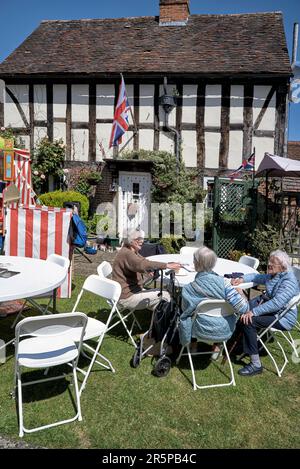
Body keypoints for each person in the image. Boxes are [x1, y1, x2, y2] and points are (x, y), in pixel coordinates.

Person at [232, 249, 299, 377]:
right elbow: (258, 277)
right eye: (269, 261)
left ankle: (256, 364)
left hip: (282, 318)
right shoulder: (275, 275)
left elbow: (277, 303)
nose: (269, 264)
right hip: (275, 312)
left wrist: (254, 312)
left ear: (282, 266)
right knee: (244, 311)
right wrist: (242, 279)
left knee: (249, 320)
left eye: (272, 263)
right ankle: (240, 344)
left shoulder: (288, 281)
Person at [179, 246, 249, 357]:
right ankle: (217, 347)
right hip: (224, 329)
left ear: (197, 263)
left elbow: (185, 312)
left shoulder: (190, 288)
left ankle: (193, 346)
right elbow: (244, 308)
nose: (193, 262)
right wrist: (241, 293)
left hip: (199, 329)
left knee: (188, 313)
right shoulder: (225, 284)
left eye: (194, 260)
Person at [112, 229, 181, 312]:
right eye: (138, 239)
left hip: (124, 293)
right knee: (166, 294)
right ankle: (169, 320)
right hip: (127, 298)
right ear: (130, 241)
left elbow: (143, 262)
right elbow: (142, 264)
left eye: (142, 238)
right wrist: (167, 265)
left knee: (161, 299)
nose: (142, 241)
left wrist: (147, 270)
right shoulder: (128, 254)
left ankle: (158, 319)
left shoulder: (128, 250)